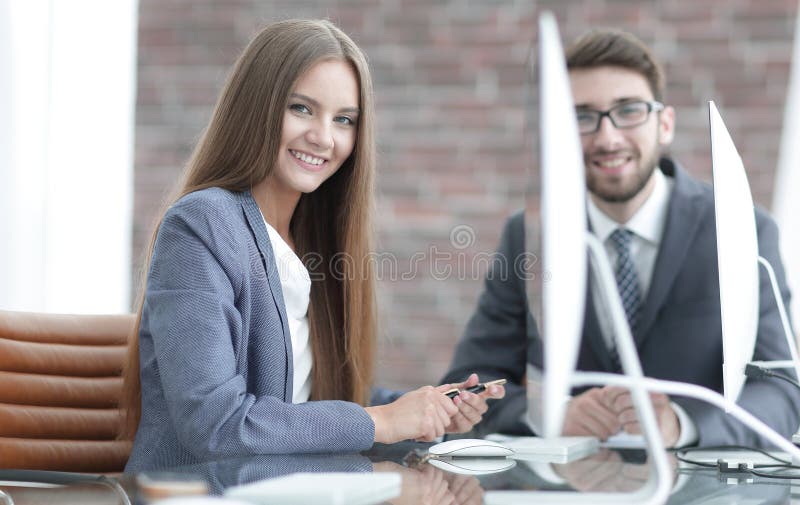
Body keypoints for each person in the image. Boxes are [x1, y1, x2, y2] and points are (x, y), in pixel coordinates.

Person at [122, 19, 503, 472]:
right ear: (258, 107)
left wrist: (424, 411)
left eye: (344, 119)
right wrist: (379, 421)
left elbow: (308, 402)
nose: (324, 137)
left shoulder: (315, 242)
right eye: (302, 109)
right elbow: (217, 425)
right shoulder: (202, 225)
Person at [442, 28, 800, 448]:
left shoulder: (740, 228)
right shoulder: (528, 234)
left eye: (628, 110)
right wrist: (550, 414)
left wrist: (683, 425)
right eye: (583, 117)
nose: (608, 138)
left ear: (664, 123)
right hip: (570, 487)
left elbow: (784, 391)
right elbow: (467, 386)